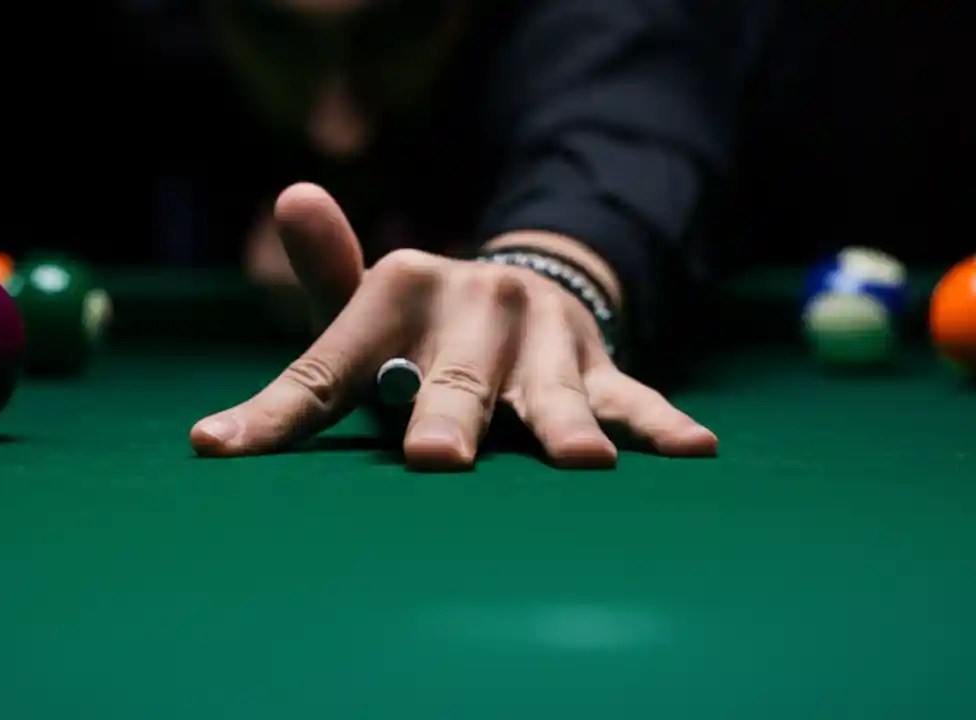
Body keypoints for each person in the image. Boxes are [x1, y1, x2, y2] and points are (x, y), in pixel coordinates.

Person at [180, 0, 776, 470]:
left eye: (395, 32)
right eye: (275, 37)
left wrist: (547, 273)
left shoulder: (588, 23)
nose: (338, 131)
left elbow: (624, 129)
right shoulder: (149, 43)